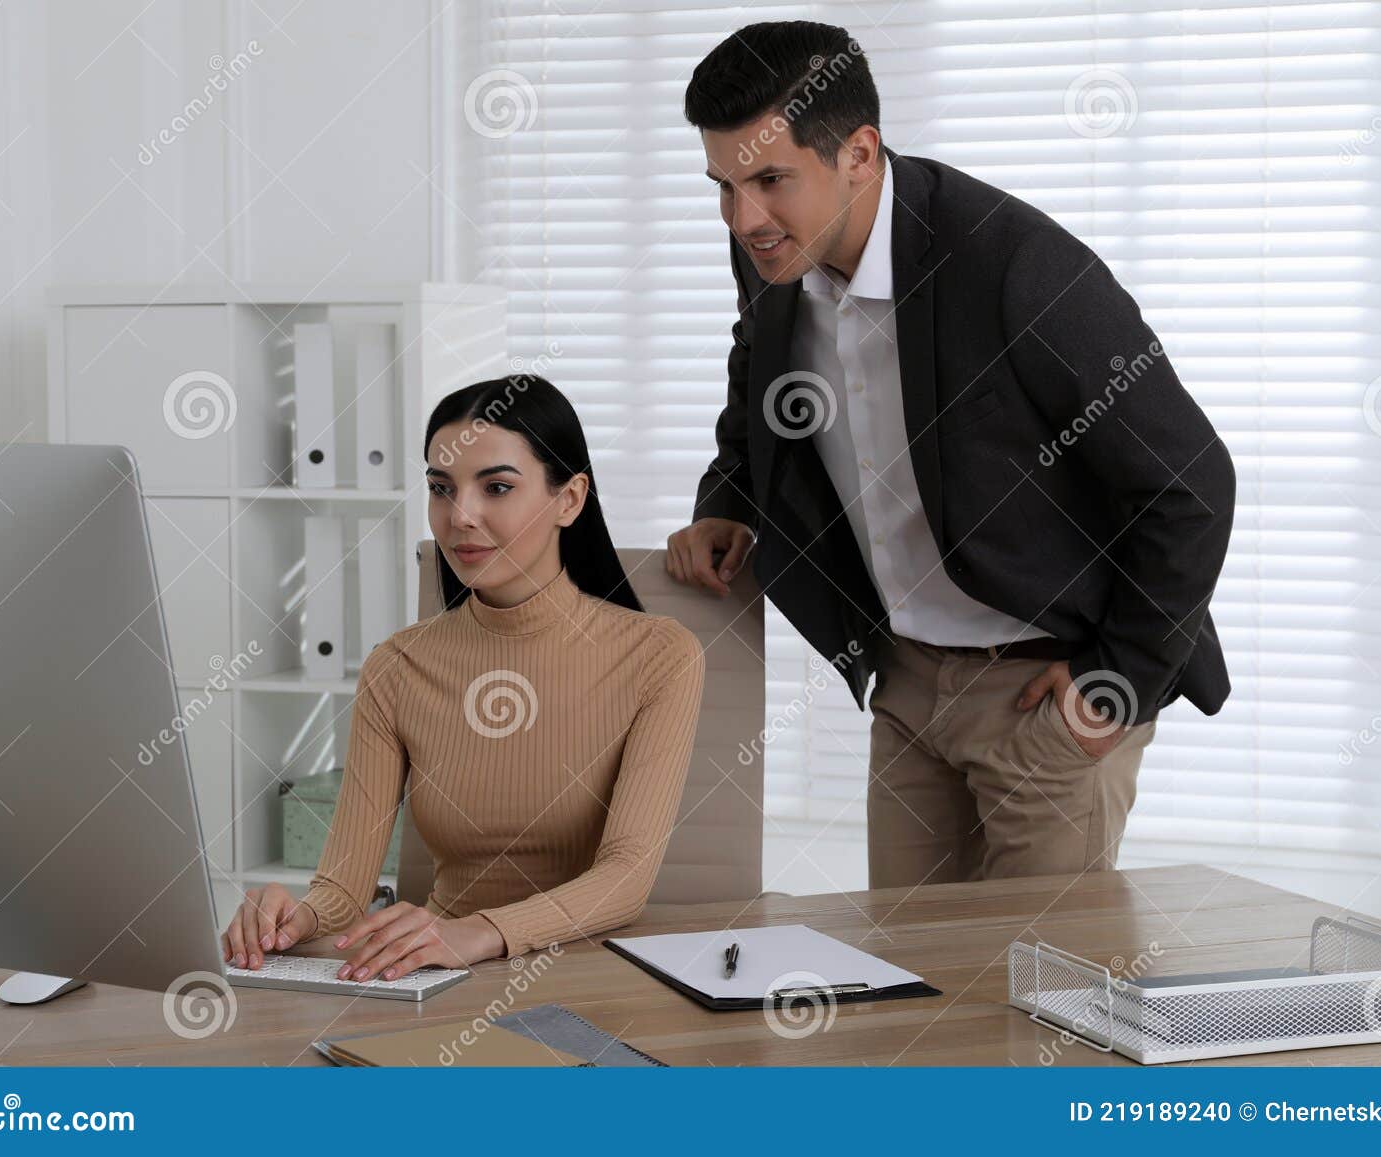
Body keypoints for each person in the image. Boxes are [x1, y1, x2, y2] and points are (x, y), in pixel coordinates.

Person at [665, 21, 1235, 888]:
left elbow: (1191, 481)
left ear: (859, 153)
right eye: (724, 185)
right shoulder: (775, 249)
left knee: (1032, 1004)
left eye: (771, 179)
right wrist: (729, 497)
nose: (744, 218)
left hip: (1042, 692)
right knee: (900, 984)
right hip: (903, 686)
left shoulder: (1016, 266)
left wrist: (1115, 683)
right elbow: (760, 391)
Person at [223, 375, 705, 981]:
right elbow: (343, 889)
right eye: (441, 489)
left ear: (570, 499)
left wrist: (479, 933)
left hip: (592, 975)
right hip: (436, 974)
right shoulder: (397, 666)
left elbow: (626, 877)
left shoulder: (658, 654)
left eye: (496, 487)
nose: (459, 517)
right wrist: (293, 919)